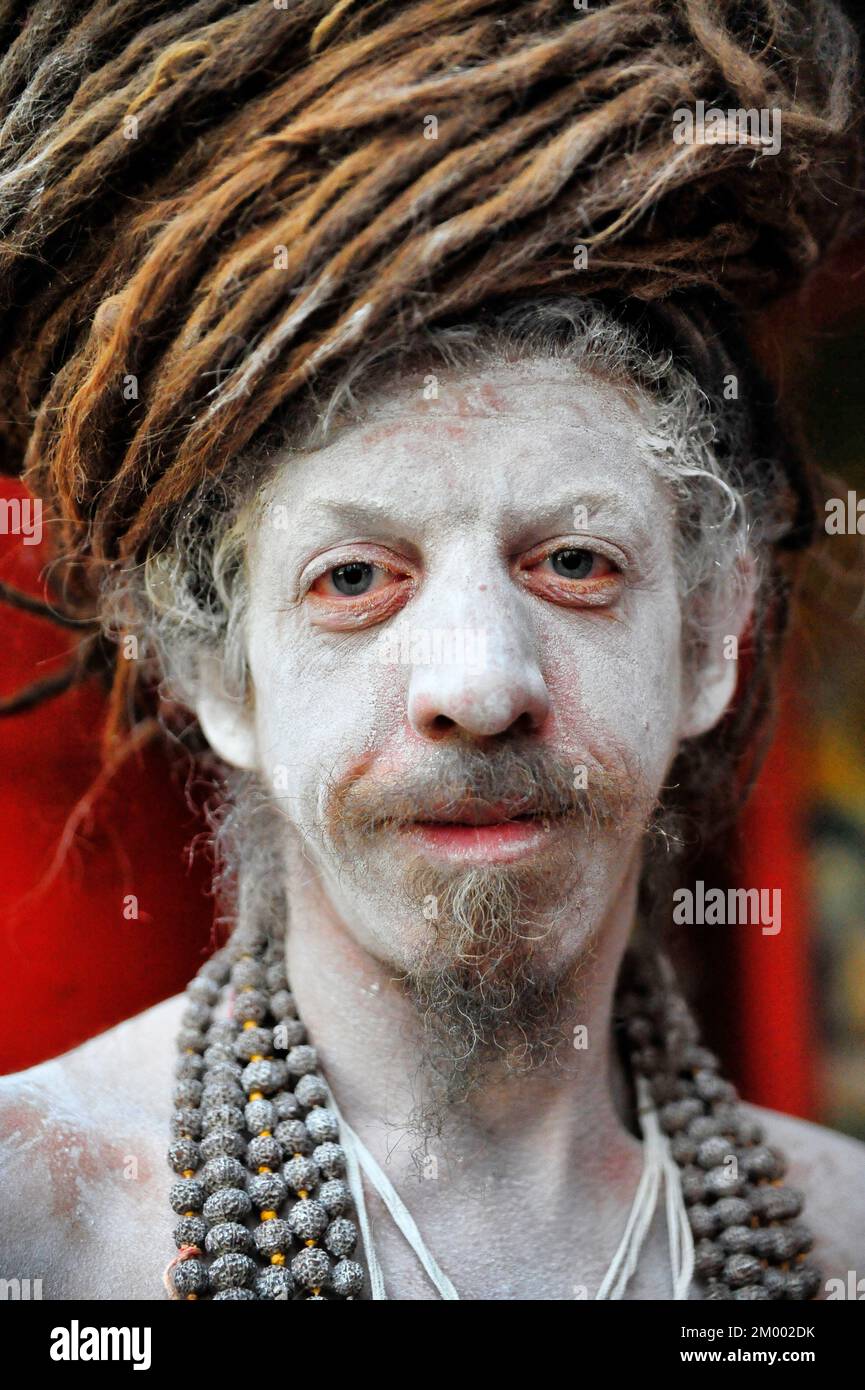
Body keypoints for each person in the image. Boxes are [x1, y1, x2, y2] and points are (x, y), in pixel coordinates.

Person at [0, 0, 864, 1301]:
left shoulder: (842, 1245)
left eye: (574, 562)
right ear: (217, 669)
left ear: (706, 635)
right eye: (354, 578)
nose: (479, 684)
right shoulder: (36, 1228)